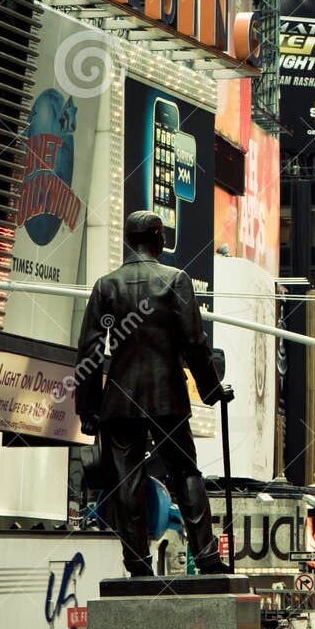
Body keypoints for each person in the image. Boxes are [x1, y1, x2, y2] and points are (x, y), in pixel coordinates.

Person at [76, 211, 232, 577]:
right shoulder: (175, 280)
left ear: (130, 240)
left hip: (120, 398)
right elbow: (195, 342)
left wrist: (88, 408)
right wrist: (211, 390)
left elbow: (90, 351)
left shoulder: (106, 285)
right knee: (185, 472)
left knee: (125, 480)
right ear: (156, 238)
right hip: (167, 397)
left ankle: (137, 564)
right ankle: (207, 557)